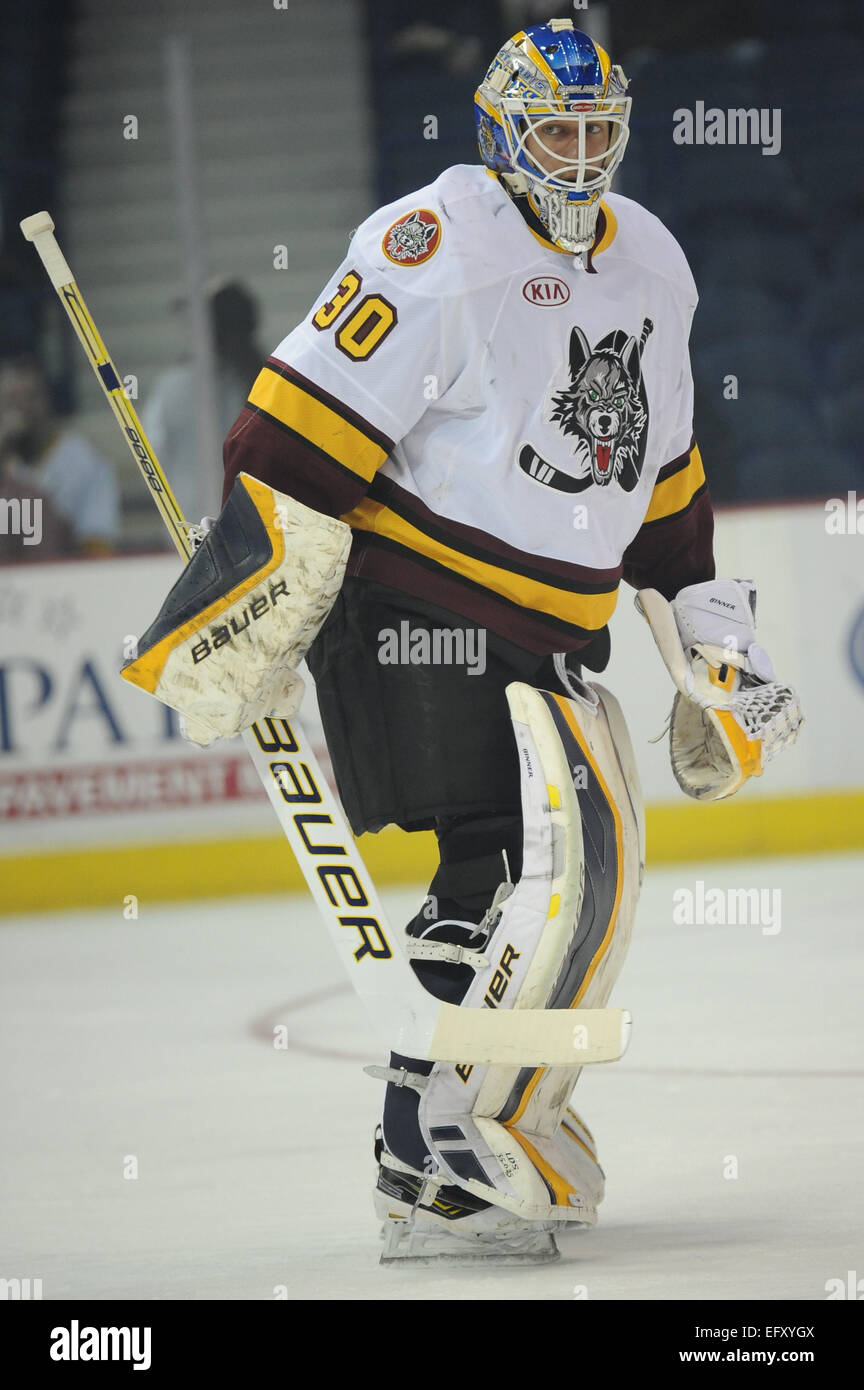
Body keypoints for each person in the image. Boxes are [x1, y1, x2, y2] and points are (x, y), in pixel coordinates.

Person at [121, 19, 802, 1262]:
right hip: (412, 614)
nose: (584, 155)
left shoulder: (652, 260)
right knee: (505, 865)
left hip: (551, 635)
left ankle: (505, 1117)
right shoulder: (435, 243)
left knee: (587, 875)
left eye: (603, 130)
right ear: (502, 130)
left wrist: (710, 641)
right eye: (558, 129)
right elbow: (290, 437)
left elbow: (663, 479)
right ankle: (423, 1148)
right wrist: (246, 594)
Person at [0, 353, 118, 559]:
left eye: (29, 398)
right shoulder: (4, 455)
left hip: (63, 580)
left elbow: (98, 548)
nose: (19, 410)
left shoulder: (84, 461)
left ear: (49, 401)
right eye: (10, 400)